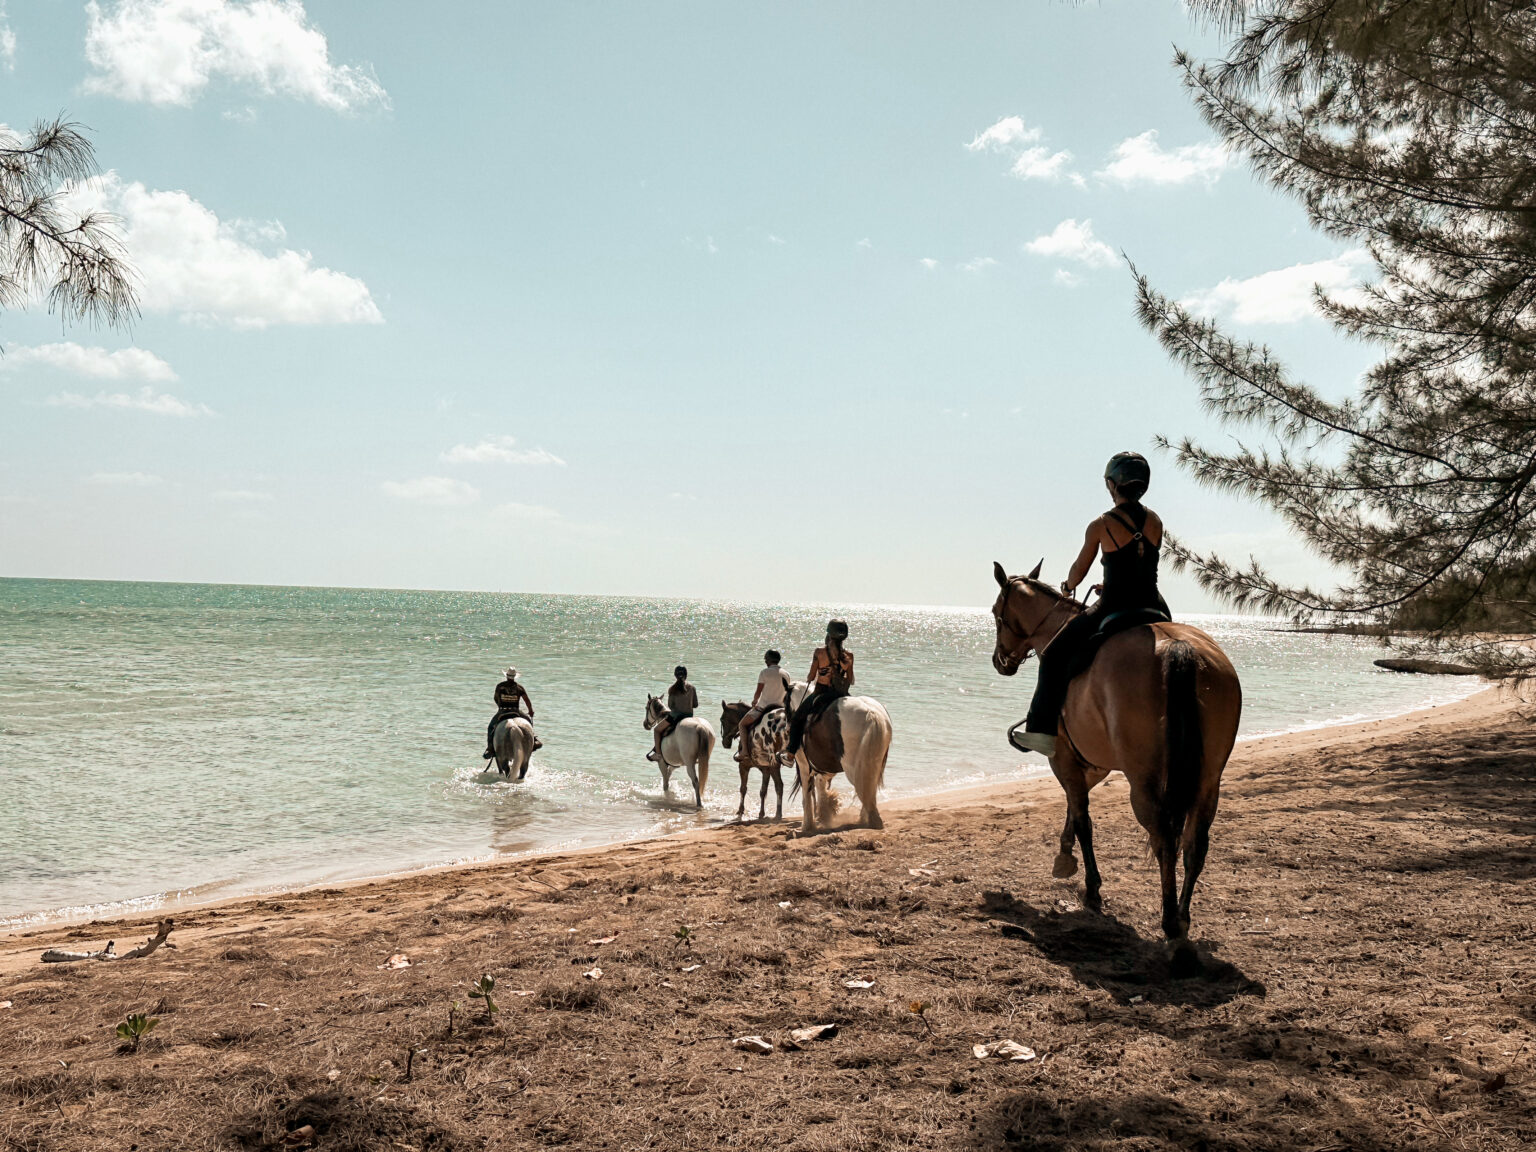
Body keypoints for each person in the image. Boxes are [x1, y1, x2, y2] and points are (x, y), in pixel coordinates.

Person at [1015, 451, 1171, 758]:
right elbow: (1139, 567)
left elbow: (1079, 570)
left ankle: (1041, 731)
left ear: (1112, 485)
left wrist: (1069, 585)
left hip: (1114, 605)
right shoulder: (1155, 521)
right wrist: (1110, 582)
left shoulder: (1102, 524)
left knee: (1054, 655)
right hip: (1152, 602)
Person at [786, 620, 854, 756]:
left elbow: (811, 676)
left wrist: (812, 677)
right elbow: (850, 680)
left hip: (821, 692)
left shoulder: (819, 652)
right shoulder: (850, 656)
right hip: (841, 694)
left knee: (797, 719)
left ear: (829, 635)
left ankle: (790, 754)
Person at [734, 649, 791, 763]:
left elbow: (758, 692)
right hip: (780, 709)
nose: (765, 660)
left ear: (769, 660)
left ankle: (744, 751)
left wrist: (755, 701)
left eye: (766, 658)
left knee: (742, 724)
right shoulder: (786, 674)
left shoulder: (764, 672)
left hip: (764, 708)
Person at [483, 667, 541, 759]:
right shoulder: (519, 687)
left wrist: (500, 706)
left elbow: (495, 698)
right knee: (528, 721)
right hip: (516, 711)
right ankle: (534, 739)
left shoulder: (500, 686)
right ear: (514, 677)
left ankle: (490, 748)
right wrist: (530, 711)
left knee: (491, 727)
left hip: (503, 710)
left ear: (506, 676)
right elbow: (527, 700)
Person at [648, 665, 699, 763]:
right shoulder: (692, 688)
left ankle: (658, 754)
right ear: (686, 675)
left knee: (657, 730)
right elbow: (695, 705)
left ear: (675, 675)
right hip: (689, 717)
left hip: (675, 717)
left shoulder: (672, 689)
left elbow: (671, 706)